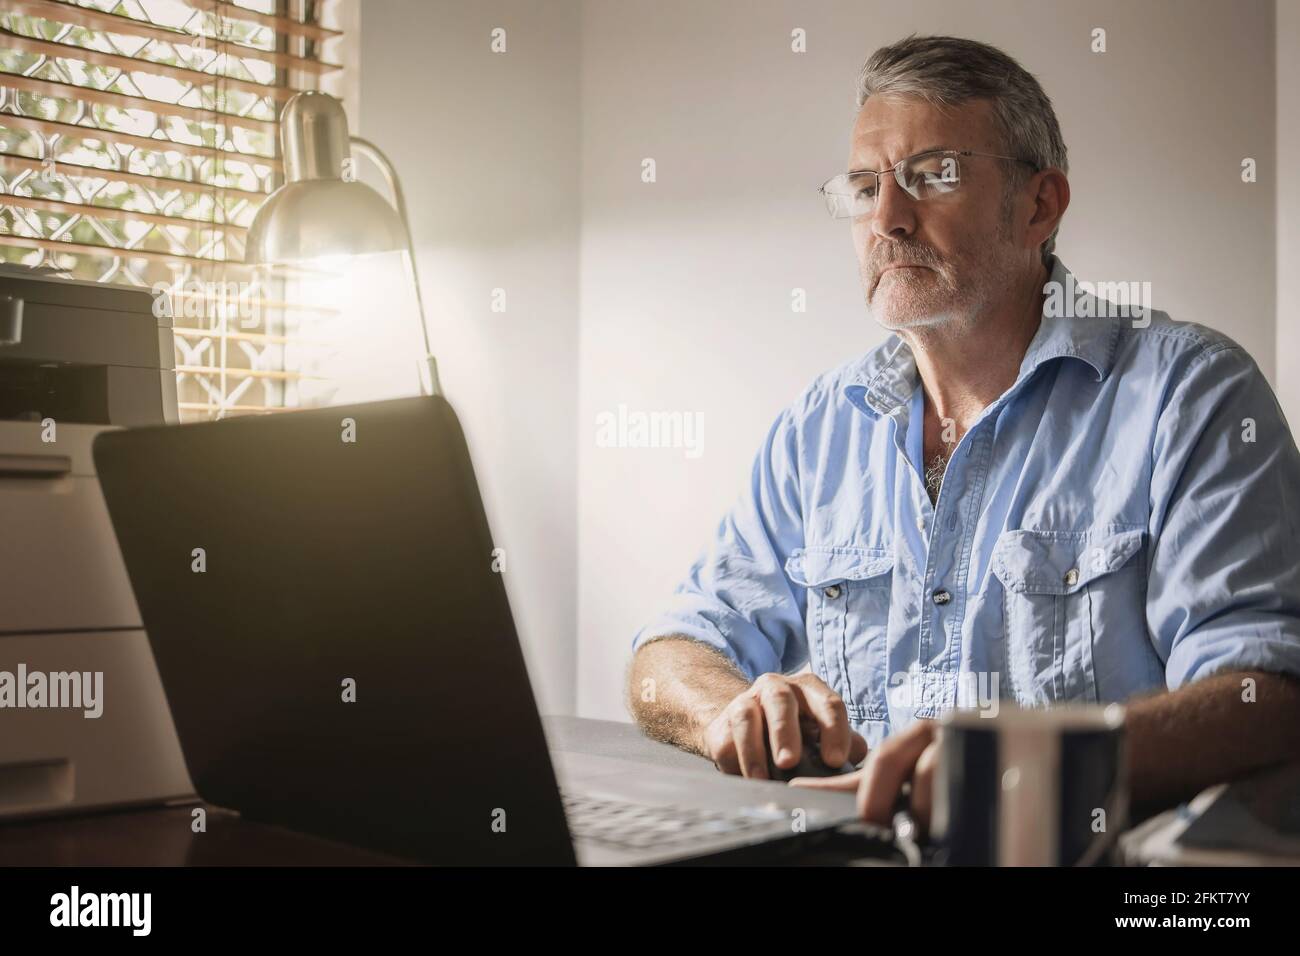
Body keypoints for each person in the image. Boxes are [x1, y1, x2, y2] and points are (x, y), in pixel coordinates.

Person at [626, 34, 1300, 831]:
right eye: (865, 186)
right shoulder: (819, 429)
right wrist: (729, 711)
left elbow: (1269, 694)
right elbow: (668, 650)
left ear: (1039, 205)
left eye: (931, 176)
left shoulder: (1190, 394)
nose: (888, 219)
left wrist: (1039, 764)